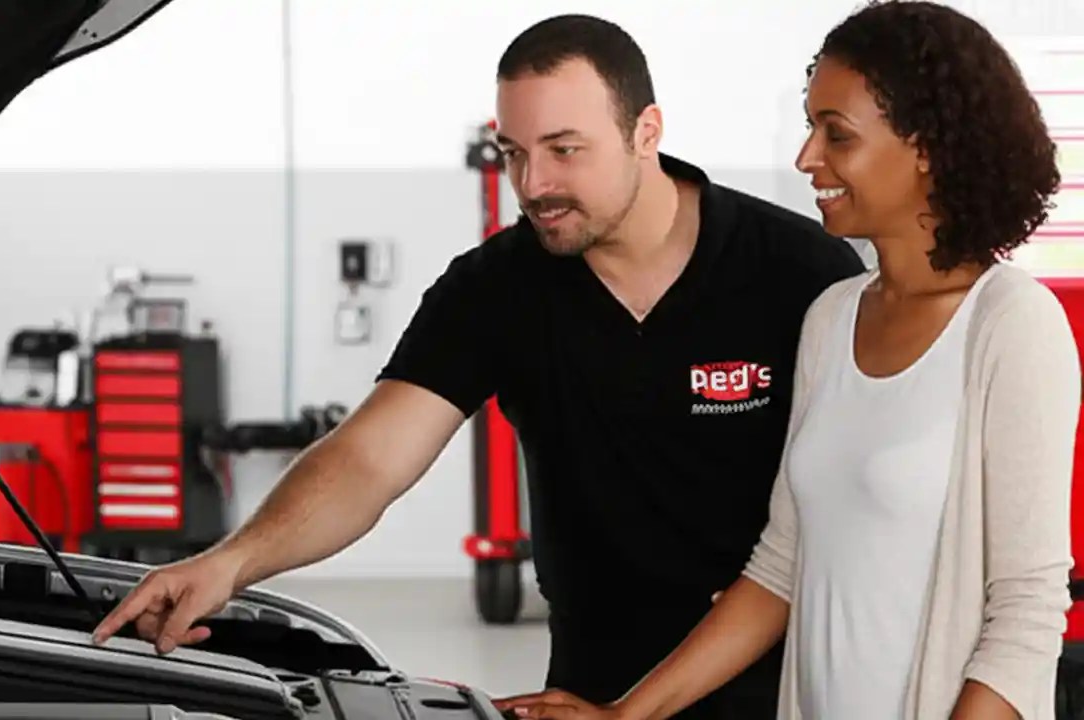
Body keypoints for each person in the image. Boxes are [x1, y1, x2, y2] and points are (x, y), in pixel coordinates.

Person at [91, 13, 865, 717]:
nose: (534, 185)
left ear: (645, 131)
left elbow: (860, 508)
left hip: (785, 687)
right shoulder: (497, 288)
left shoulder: (797, 274)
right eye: (513, 154)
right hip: (587, 696)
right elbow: (369, 460)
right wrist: (229, 565)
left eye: (565, 151)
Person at [493, 2, 1078, 719]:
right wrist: (625, 714)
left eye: (837, 135)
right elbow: (780, 566)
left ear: (926, 146)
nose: (807, 157)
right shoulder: (833, 318)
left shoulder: (1011, 325)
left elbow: (1025, 616)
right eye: (810, 127)